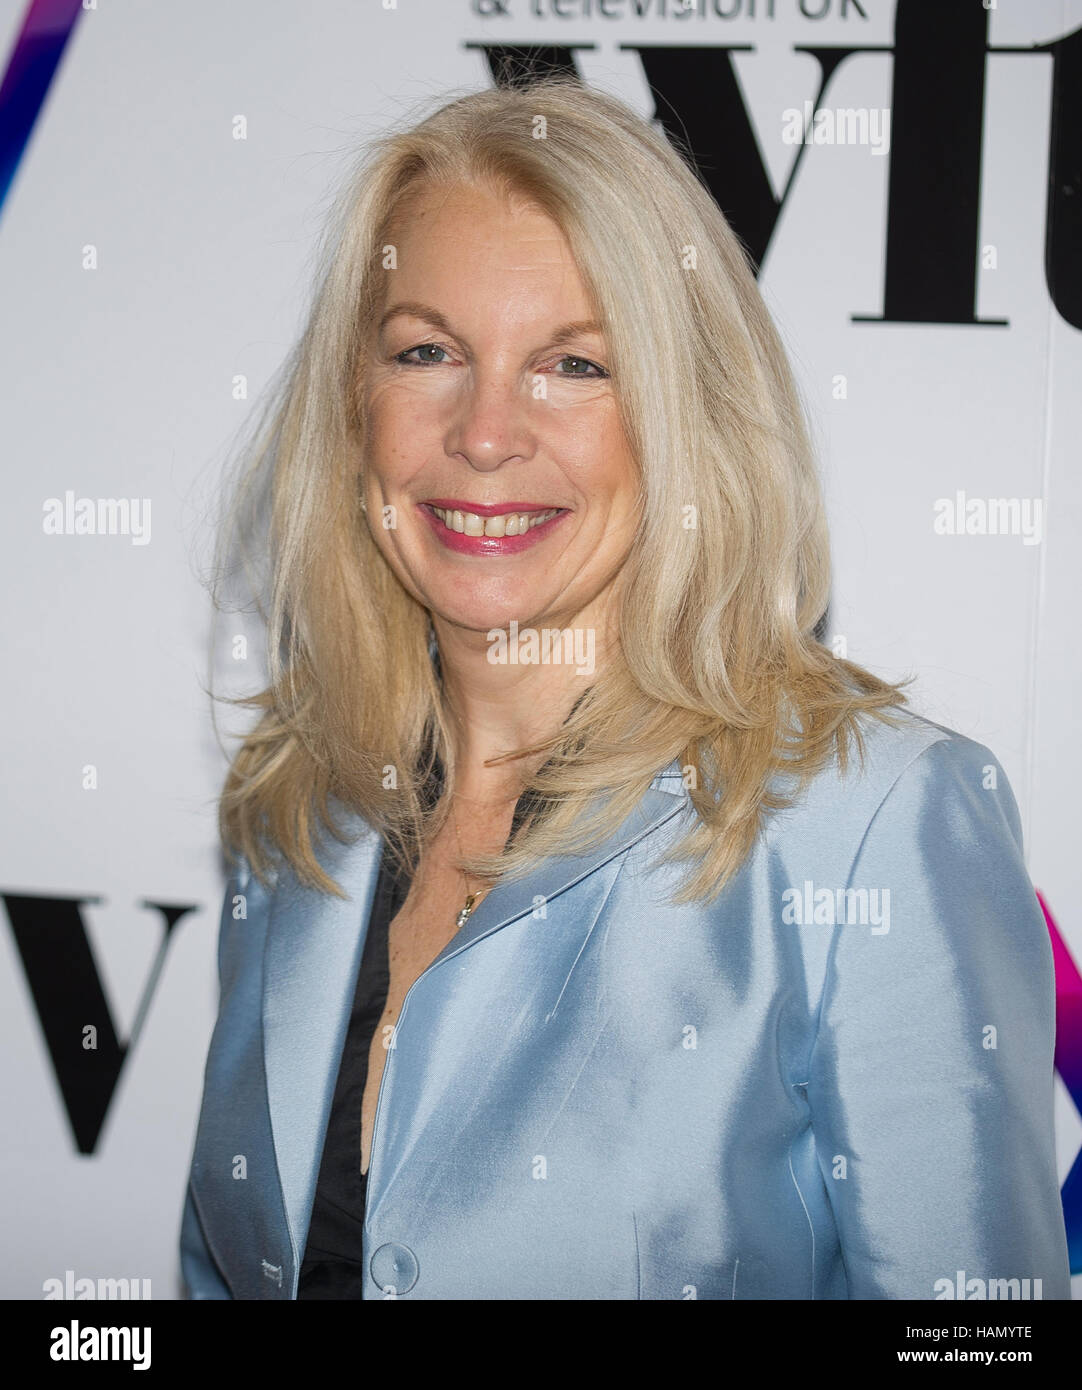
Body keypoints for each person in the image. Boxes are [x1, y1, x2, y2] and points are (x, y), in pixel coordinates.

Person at [179, 76, 1070, 1300]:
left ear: (683, 416)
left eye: (573, 365)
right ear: (354, 406)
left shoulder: (868, 824)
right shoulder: (298, 804)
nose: (485, 432)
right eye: (426, 350)